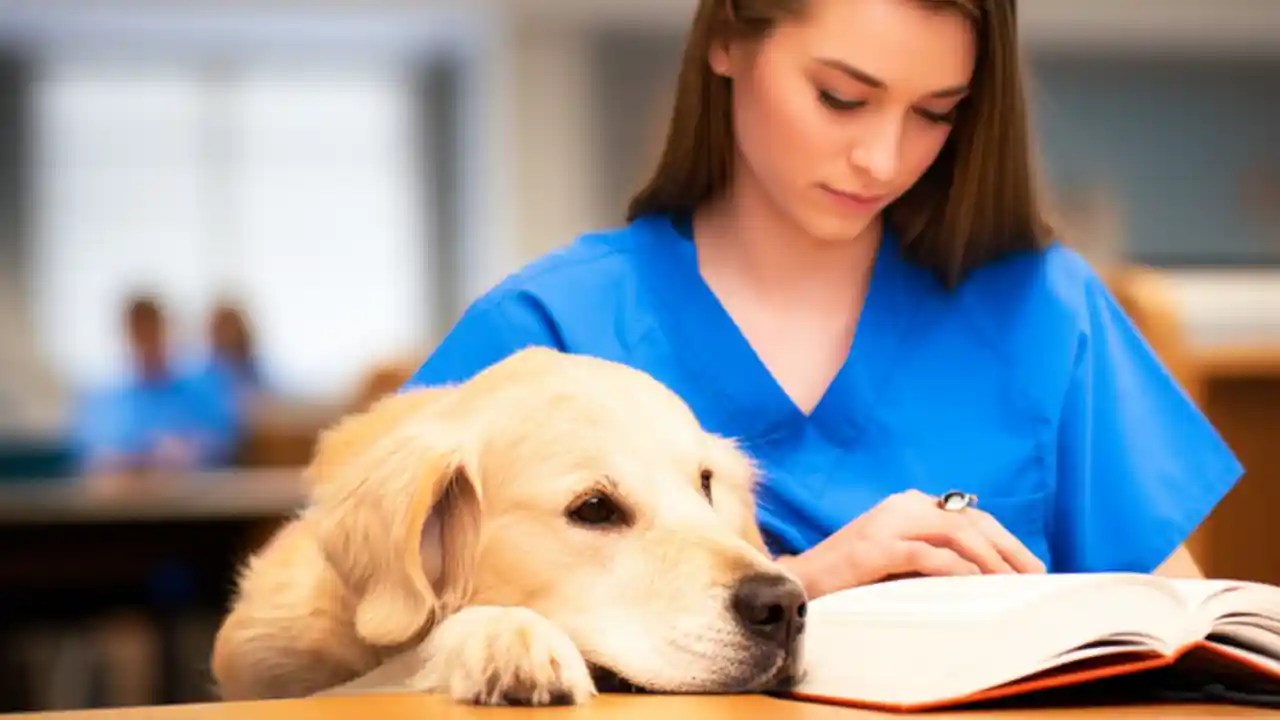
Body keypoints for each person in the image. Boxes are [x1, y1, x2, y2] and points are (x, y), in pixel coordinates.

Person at [403, 0, 1242, 598]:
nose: (882, 158)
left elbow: (1181, 627)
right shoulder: (543, 329)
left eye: (936, 113)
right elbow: (361, 649)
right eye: (842, 97)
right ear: (727, 38)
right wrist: (800, 587)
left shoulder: (1043, 308)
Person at [71, 294, 239, 475]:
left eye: (153, 329)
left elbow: (225, 440)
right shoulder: (105, 400)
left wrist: (190, 449)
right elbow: (88, 452)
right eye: (139, 331)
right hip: (126, 498)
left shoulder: (204, 387)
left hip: (191, 496)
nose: (147, 340)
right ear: (128, 335)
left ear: (166, 329)